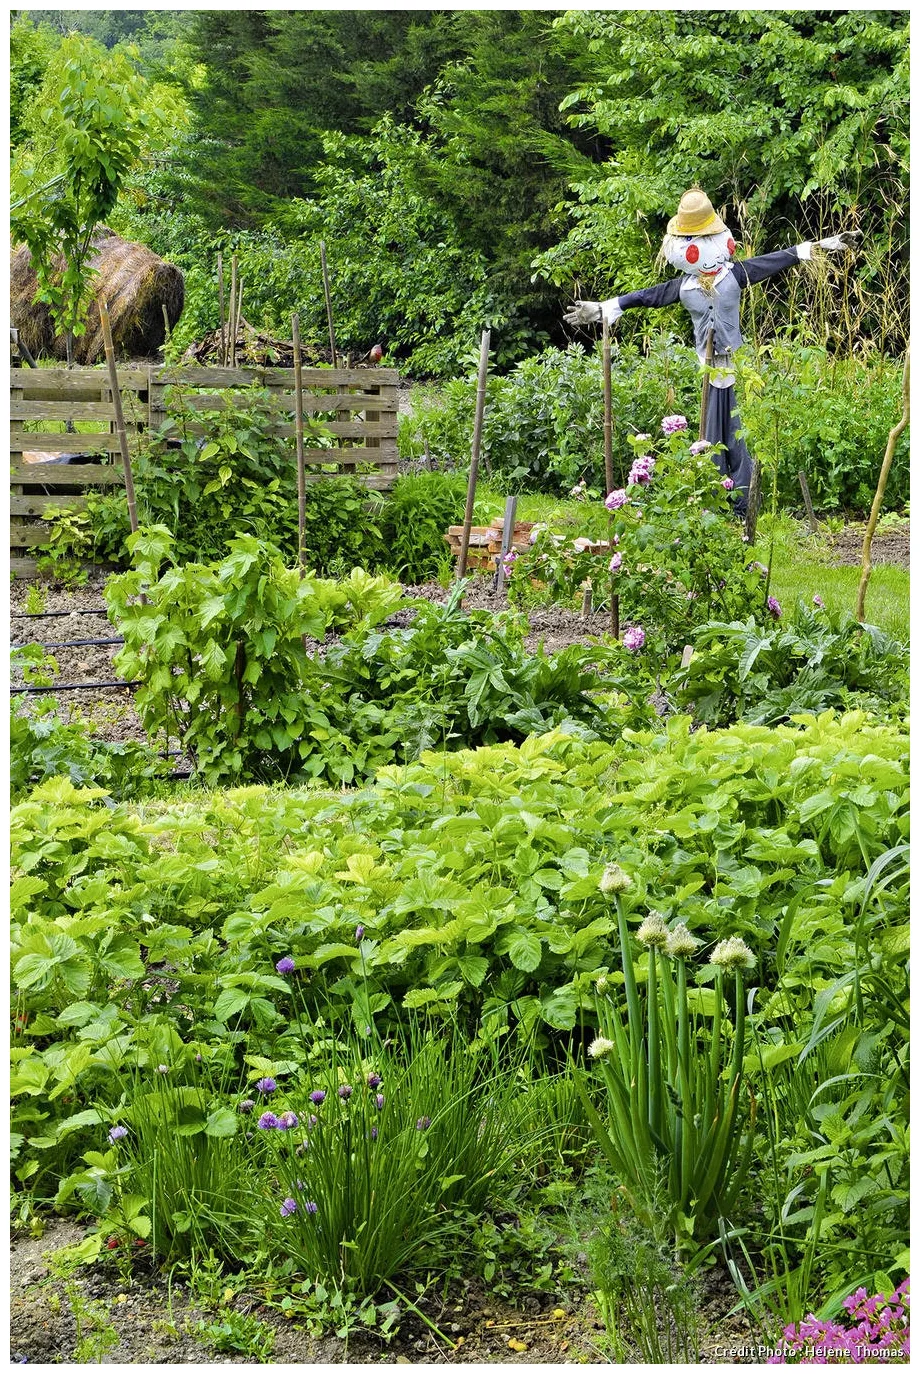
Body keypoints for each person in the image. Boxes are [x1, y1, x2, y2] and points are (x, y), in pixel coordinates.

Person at [564, 189, 858, 514]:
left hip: (736, 367)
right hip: (706, 368)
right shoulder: (684, 286)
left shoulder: (735, 274)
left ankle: (744, 506)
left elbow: (778, 259)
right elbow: (644, 296)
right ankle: (712, 502)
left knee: (737, 437)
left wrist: (828, 243)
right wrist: (604, 307)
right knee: (709, 436)